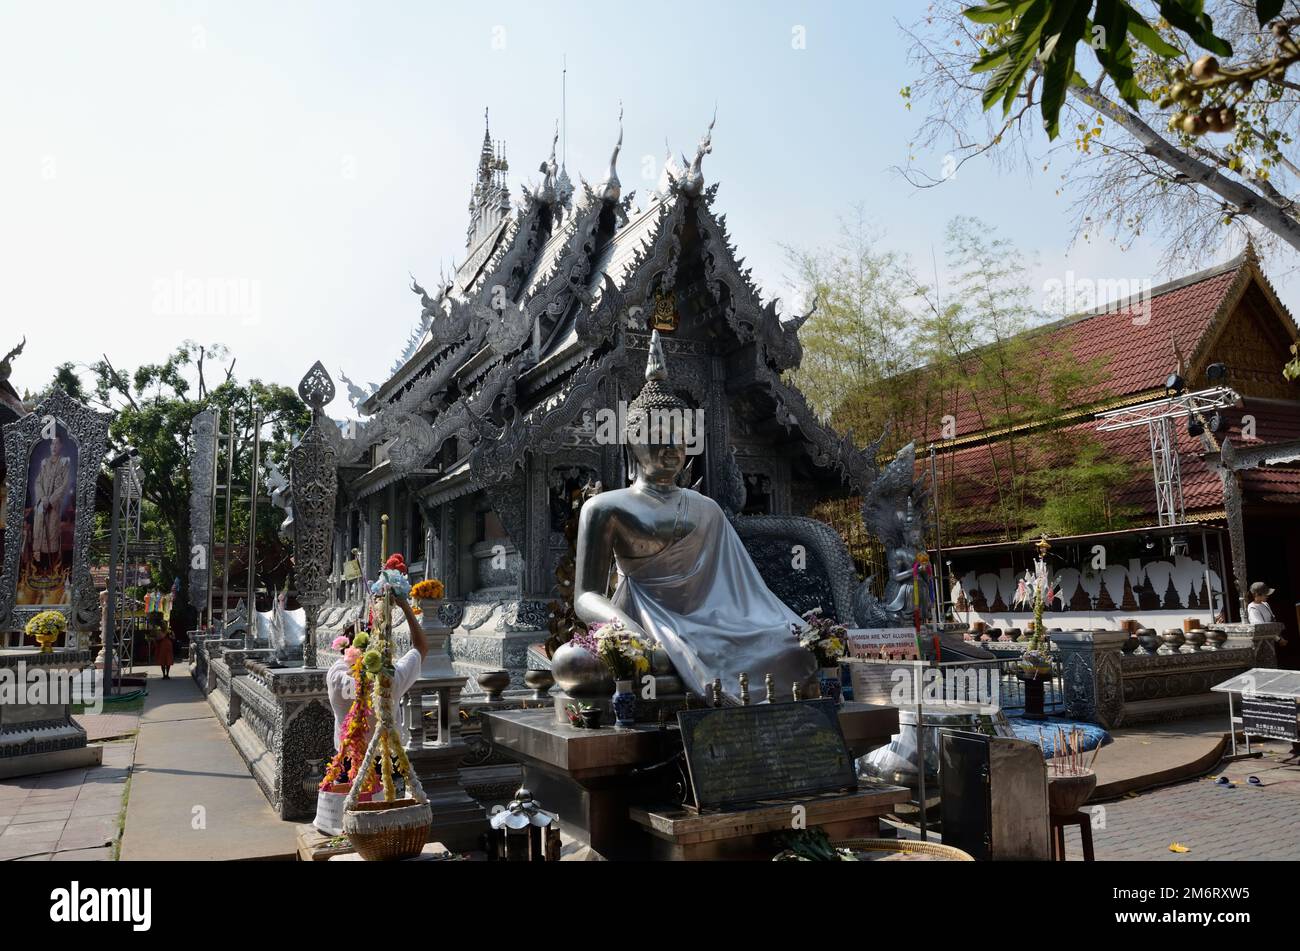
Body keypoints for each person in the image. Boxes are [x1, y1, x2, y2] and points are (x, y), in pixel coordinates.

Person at [573, 331, 816, 704]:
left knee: (794, 647)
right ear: (632, 439)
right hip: (643, 621)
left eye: (680, 437)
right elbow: (586, 595)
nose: (671, 448)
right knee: (577, 664)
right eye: (658, 435)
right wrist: (629, 633)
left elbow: (743, 594)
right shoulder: (606, 507)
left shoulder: (707, 508)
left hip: (714, 625)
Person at [326, 591, 427, 752]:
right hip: (384, 758)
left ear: (347, 647)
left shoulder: (334, 675)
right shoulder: (391, 677)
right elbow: (421, 647)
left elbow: (345, 662)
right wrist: (406, 607)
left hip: (347, 759)